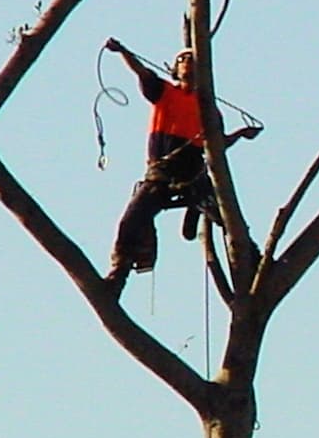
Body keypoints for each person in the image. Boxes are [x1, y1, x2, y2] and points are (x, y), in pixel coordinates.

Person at [105, 39, 259, 291]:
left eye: (192, 59)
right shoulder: (164, 92)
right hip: (160, 174)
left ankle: (255, 261)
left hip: (192, 174)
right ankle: (117, 276)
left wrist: (241, 134)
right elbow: (142, 71)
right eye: (182, 59)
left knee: (229, 219)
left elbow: (218, 144)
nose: (187, 62)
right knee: (130, 221)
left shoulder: (209, 110)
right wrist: (122, 51)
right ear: (175, 70)